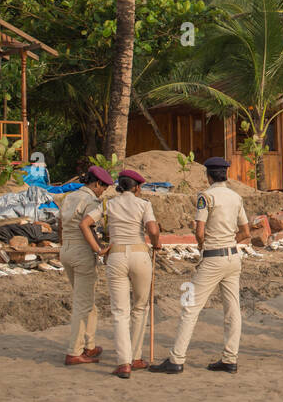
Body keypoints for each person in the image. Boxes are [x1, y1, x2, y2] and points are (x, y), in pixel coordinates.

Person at [150, 158, 249, 375]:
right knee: (232, 310)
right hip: (233, 257)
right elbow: (246, 232)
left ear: (208, 176)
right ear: (225, 174)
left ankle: (176, 358)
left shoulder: (206, 196)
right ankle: (230, 358)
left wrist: (203, 245)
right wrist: (229, 242)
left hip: (213, 258)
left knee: (190, 307)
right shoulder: (236, 197)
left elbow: (199, 231)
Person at [104, 169, 162, 379]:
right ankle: (136, 356)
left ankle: (124, 362)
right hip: (139, 254)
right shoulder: (144, 204)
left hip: (116, 254)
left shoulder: (109, 204)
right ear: (136, 187)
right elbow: (153, 230)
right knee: (140, 306)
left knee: (120, 311)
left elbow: (91, 224)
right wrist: (156, 244)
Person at [57, 165, 112, 365]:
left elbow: (60, 225)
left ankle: (89, 345)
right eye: (103, 188)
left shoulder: (69, 197)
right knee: (83, 304)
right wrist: (98, 249)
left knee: (87, 301)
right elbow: (85, 225)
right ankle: (74, 351)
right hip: (82, 252)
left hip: (66, 250)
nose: (102, 192)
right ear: (96, 184)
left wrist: (63, 245)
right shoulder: (92, 201)